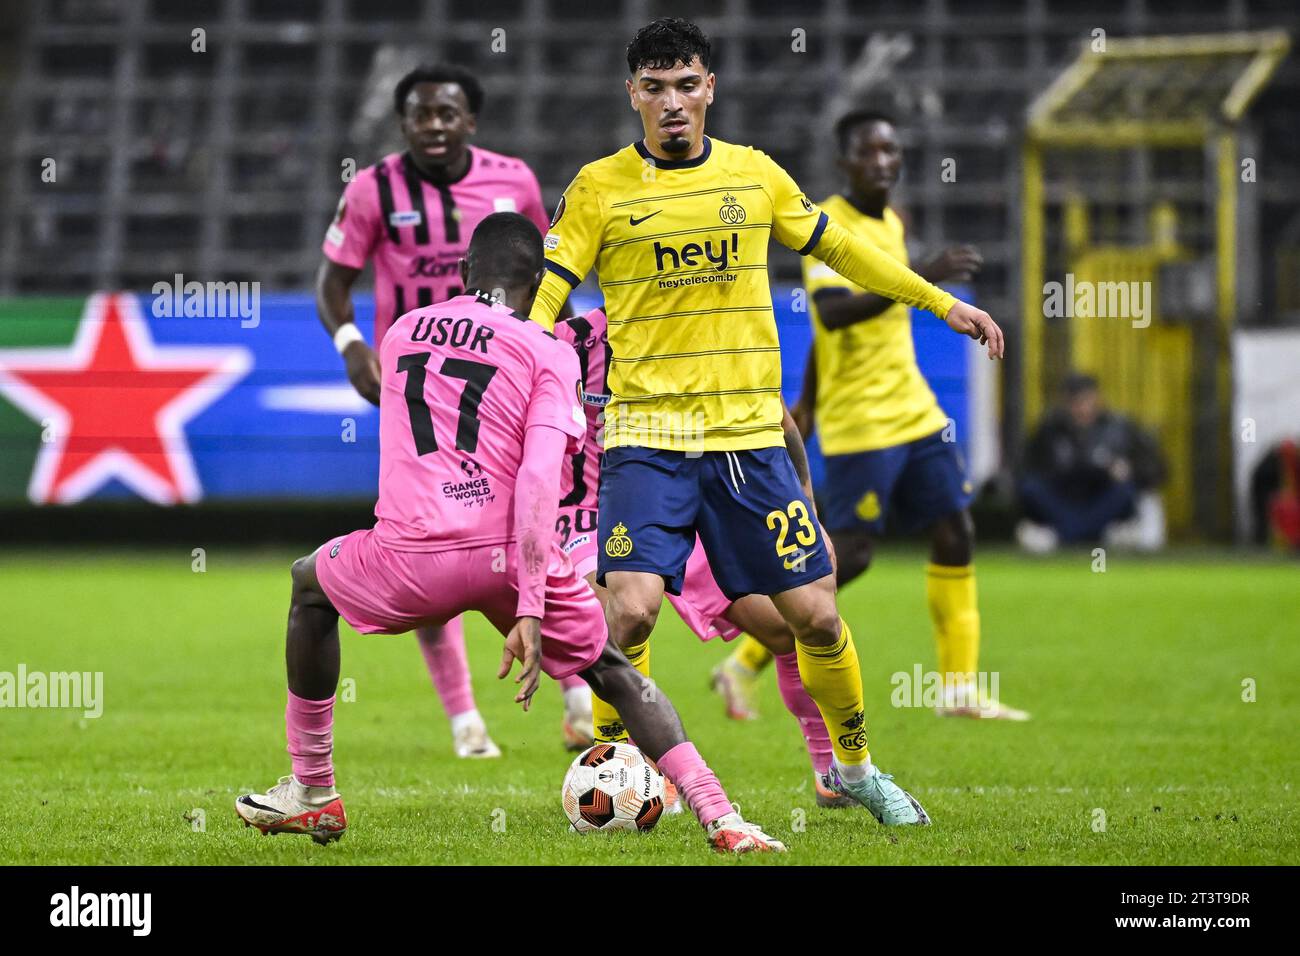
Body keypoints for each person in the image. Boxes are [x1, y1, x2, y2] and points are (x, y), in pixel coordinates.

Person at [529, 17, 1005, 823]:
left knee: (817, 615)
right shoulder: (599, 186)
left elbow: (843, 251)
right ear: (632, 95)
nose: (671, 103)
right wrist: (521, 358)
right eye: (654, 88)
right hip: (648, 438)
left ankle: (852, 769)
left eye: (686, 85)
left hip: (750, 443)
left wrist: (940, 302)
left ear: (710, 87)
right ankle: (625, 767)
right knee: (631, 609)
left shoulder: (754, 176)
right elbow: (549, 288)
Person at [237, 213, 784, 853]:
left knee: (308, 585)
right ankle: (721, 817)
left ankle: (313, 792)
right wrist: (529, 603)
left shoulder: (402, 333)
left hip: (409, 556)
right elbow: (536, 481)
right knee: (614, 672)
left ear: (465, 272)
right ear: (543, 279)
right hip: (505, 558)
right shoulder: (550, 351)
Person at [713, 109, 1027, 721]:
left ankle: (958, 689)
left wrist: (805, 399)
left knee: (955, 530)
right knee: (850, 554)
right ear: (844, 162)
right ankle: (744, 661)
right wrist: (920, 279)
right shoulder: (828, 224)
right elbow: (833, 316)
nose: (883, 162)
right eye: (869, 152)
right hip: (863, 420)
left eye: (891, 151)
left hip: (913, 406)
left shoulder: (893, 221)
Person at [314, 63, 589, 758]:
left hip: (502, 382)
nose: (433, 126)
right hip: (418, 389)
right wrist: (351, 347)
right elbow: (333, 282)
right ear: (402, 123)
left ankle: (578, 690)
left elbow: (541, 274)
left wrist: (557, 359)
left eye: (447, 114)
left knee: (530, 514)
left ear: (471, 121)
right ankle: (467, 721)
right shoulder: (373, 189)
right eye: (420, 115)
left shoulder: (514, 181)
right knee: (424, 533)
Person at [555, 307, 852, 809]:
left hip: (685, 503)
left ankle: (830, 769)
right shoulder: (565, 344)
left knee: (784, 629)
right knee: (623, 615)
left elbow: (777, 421)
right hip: (588, 510)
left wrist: (808, 508)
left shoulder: (703, 326)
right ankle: (622, 770)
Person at [1017, 372, 1167, 552]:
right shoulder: (1049, 430)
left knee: (1125, 491)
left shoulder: (1121, 427)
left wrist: (1129, 470)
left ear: (1097, 399)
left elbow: (1157, 469)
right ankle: (1093, 536)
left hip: (1102, 503)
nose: (1081, 408)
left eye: (1085, 400)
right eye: (1074, 402)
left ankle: (1062, 537)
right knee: (1032, 488)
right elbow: (1026, 473)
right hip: (1063, 502)